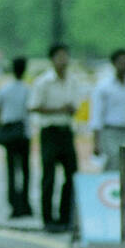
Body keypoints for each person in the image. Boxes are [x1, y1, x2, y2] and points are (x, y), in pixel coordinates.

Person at [28, 44, 80, 232]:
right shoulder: (43, 82)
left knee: (71, 175)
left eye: (66, 56)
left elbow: (75, 106)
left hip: (66, 130)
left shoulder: (73, 80)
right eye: (59, 56)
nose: (63, 60)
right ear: (52, 59)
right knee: (49, 176)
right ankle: (48, 219)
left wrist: (69, 109)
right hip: (49, 131)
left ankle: (66, 218)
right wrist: (58, 109)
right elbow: (33, 106)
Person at [89, 48, 125, 172]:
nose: (124, 66)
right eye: (121, 62)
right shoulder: (104, 87)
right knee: (114, 163)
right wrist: (96, 142)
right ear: (114, 64)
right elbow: (97, 115)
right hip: (110, 131)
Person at [0, 57, 32, 217]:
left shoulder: (4, 89)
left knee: (11, 170)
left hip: (9, 130)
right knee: (25, 170)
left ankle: (13, 204)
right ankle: (25, 203)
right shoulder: (27, 89)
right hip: (22, 132)